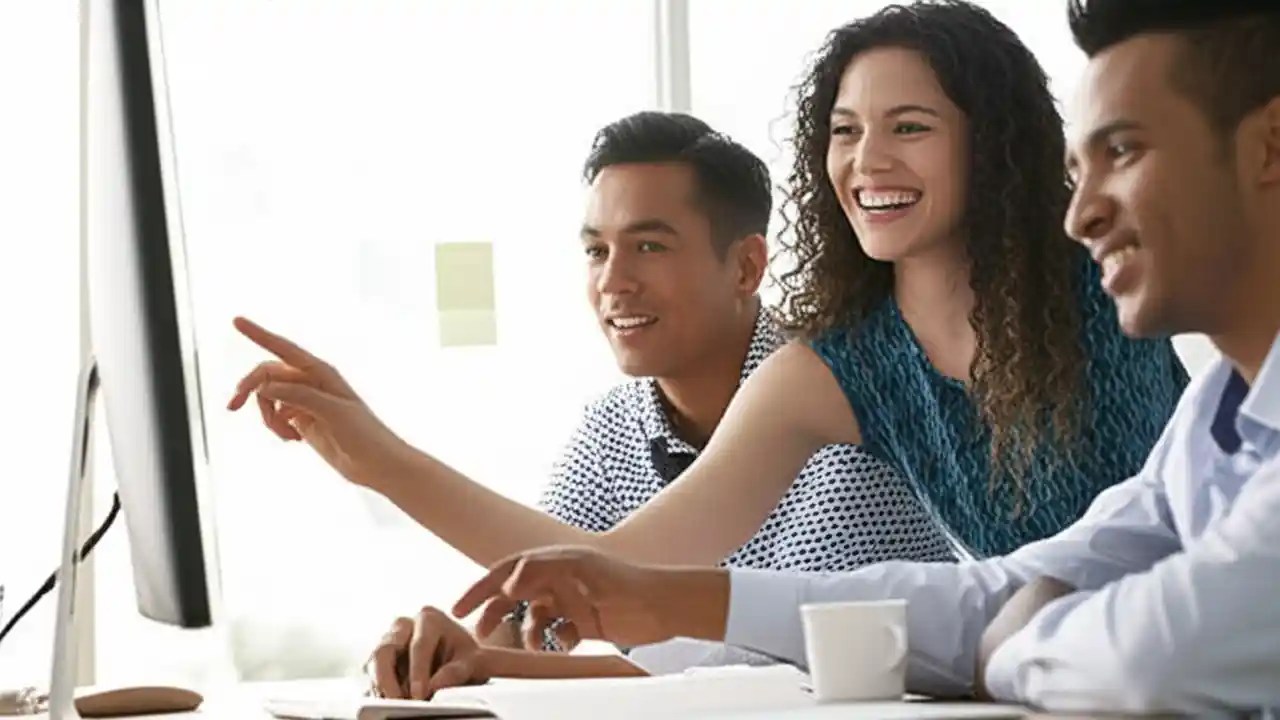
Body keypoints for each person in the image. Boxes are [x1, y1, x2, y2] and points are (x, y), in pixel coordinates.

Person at [233, 0, 1187, 694]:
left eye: (911, 128)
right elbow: (617, 565)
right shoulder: (838, 367)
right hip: (1069, 673)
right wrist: (378, 460)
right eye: (845, 133)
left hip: (1198, 638)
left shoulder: (1102, 269)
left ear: (995, 148)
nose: (868, 162)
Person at [450, 0, 1280, 715]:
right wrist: (665, 600)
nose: (1083, 213)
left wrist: (1018, 648)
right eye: (845, 131)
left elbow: (1151, 648)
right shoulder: (1213, 424)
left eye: (1125, 153)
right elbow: (987, 595)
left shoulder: (1091, 308)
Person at [233, 111, 955, 686]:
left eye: (648, 246)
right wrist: (453, 651)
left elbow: (777, 673)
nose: (614, 281)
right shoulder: (612, 432)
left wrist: (383, 461)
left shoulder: (840, 408)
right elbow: (532, 619)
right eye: (595, 250)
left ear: (745, 266)